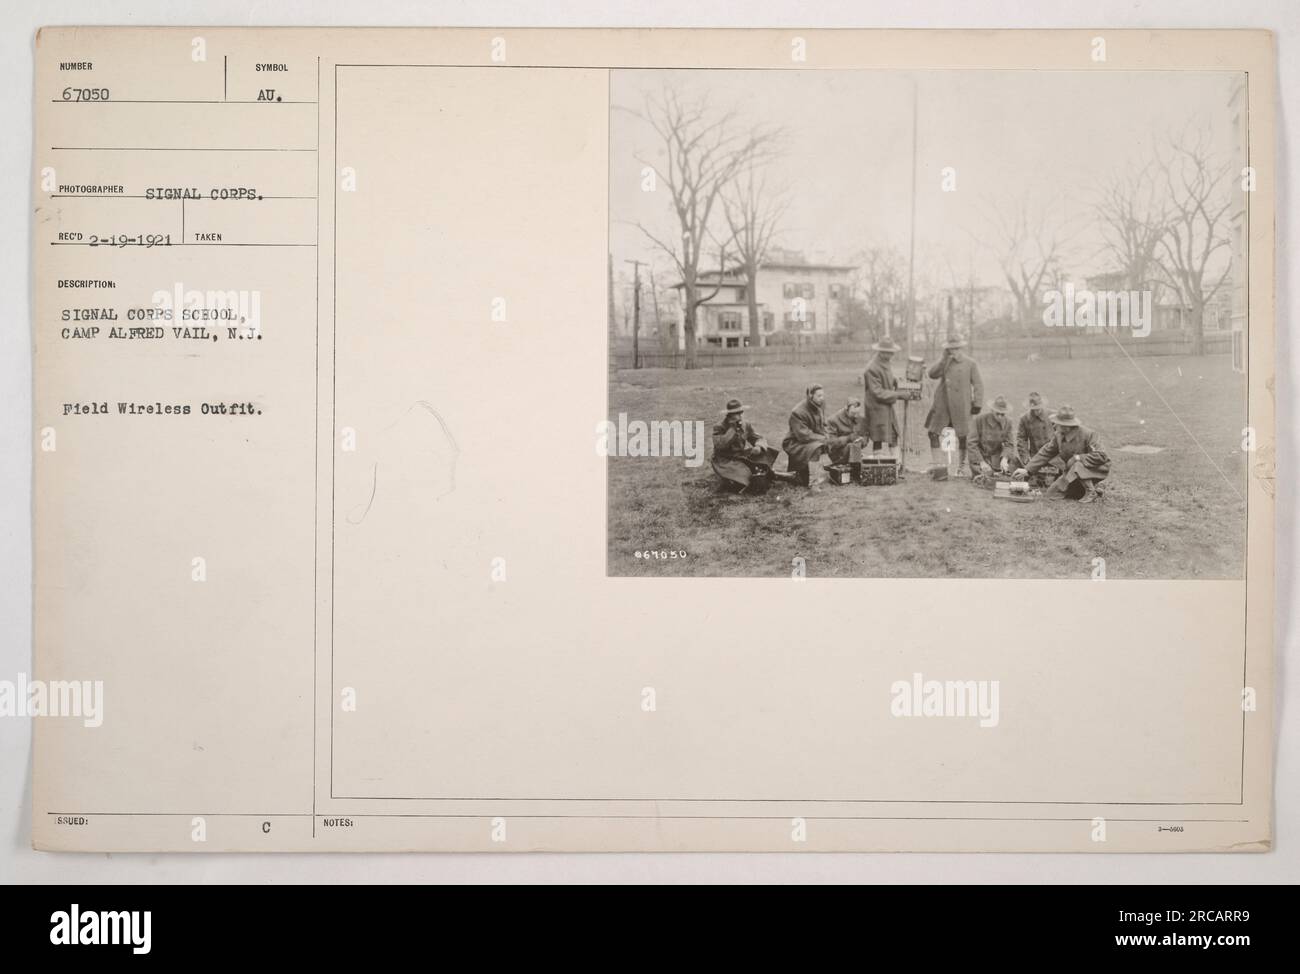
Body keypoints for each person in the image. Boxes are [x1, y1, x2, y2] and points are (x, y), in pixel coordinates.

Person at [1014, 404, 1111, 503]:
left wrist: (1078, 458)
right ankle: (1095, 487)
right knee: (1051, 494)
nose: (1054, 425)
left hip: (1094, 468)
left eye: (1058, 423)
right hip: (1072, 471)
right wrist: (1027, 470)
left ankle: (1091, 491)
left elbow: (1102, 456)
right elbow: (1046, 452)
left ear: (1067, 426)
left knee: (1077, 464)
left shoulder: (1089, 434)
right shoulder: (1058, 435)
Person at [925, 335, 984, 476]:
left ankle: (961, 467)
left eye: (956, 348)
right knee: (933, 433)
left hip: (961, 406)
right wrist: (943, 359)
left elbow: (978, 384)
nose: (953, 352)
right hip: (942, 405)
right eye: (950, 349)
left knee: (963, 436)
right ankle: (938, 466)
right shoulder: (945, 362)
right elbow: (932, 374)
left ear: (961, 348)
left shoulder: (970, 363)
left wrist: (977, 403)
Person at [711, 398, 792, 492]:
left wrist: (758, 446)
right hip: (724, 460)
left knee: (767, 452)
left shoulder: (745, 425)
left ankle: (770, 474)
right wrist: (733, 429)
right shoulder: (720, 427)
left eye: (740, 413)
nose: (739, 416)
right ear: (729, 415)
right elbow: (721, 445)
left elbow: (759, 438)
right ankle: (763, 476)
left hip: (740, 456)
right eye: (736, 413)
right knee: (745, 476)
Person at [782, 383, 832, 485]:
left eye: (823, 395)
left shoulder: (819, 405)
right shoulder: (797, 412)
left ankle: (815, 474)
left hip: (810, 439)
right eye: (819, 396)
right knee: (816, 447)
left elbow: (824, 424)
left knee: (833, 442)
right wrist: (823, 439)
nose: (822, 398)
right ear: (810, 395)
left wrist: (828, 436)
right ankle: (813, 482)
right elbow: (803, 436)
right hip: (795, 442)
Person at [862, 337, 903, 457]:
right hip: (876, 407)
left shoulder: (885, 362)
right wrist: (898, 394)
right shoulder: (871, 368)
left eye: (892, 352)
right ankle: (878, 462)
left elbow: (886, 377)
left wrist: (896, 381)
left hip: (886, 405)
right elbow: (877, 392)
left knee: (893, 434)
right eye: (889, 352)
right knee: (877, 436)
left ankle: (897, 464)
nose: (892, 354)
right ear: (881, 352)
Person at [1015, 392, 1059, 487]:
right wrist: (1026, 458)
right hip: (1035, 456)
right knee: (1033, 482)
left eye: (1038, 409)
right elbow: (1021, 440)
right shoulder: (1024, 419)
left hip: (1054, 456)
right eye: (1033, 409)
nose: (1036, 412)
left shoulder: (1053, 415)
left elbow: (1061, 436)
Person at [968, 395, 1016, 480]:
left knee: (1011, 472)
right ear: (992, 410)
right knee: (985, 477)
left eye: (1003, 414)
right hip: (980, 456)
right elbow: (971, 444)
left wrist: (1004, 458)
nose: (1000, 417)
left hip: (996, 457)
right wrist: (981, 462)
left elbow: (1010, 444)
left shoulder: (1008, 422)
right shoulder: (980, 419)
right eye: (997, 413)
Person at [825, 398, 867, 464]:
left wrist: (862, 441)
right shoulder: (833, 420)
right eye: (853, 413)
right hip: (837, 454)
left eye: (858, 413)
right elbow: (831, 443)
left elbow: (865, 435)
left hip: (855, 452)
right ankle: (855, 471)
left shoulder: (860, 419)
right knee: (853, 447)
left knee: (855, 447)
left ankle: (856, 468)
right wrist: (848, 438)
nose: (856, 416)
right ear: (846, 409)